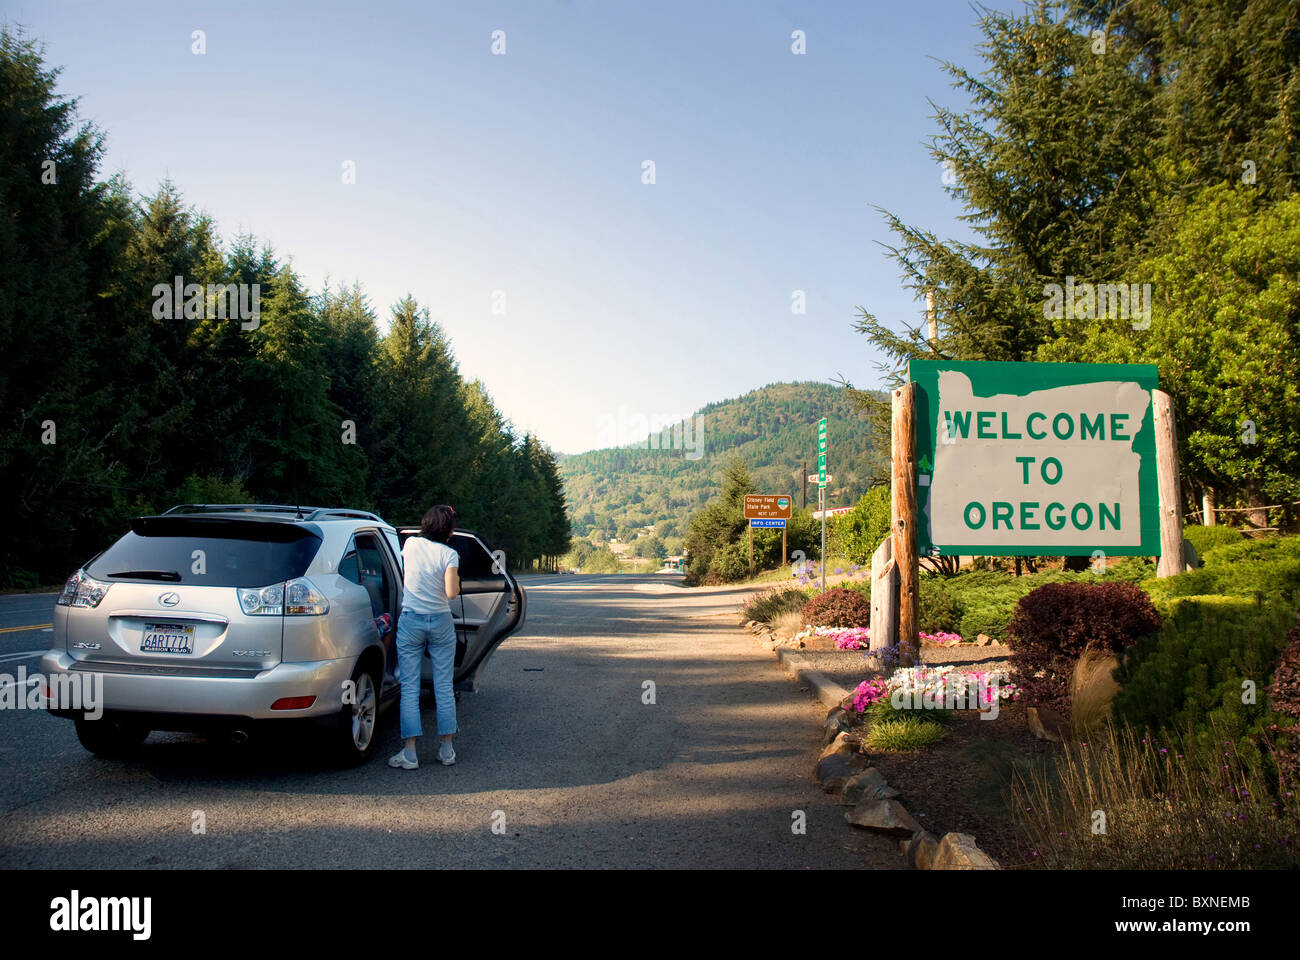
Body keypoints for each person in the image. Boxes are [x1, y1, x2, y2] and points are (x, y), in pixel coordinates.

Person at [388, 504, 460, 769]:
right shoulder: (450, 554)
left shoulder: (411, 545)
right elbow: (452, 593)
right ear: (449, 530)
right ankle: (447, 750)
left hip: (411, 620)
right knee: (444, 686)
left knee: (409, 687)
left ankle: (409, 753)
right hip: (440, 621)